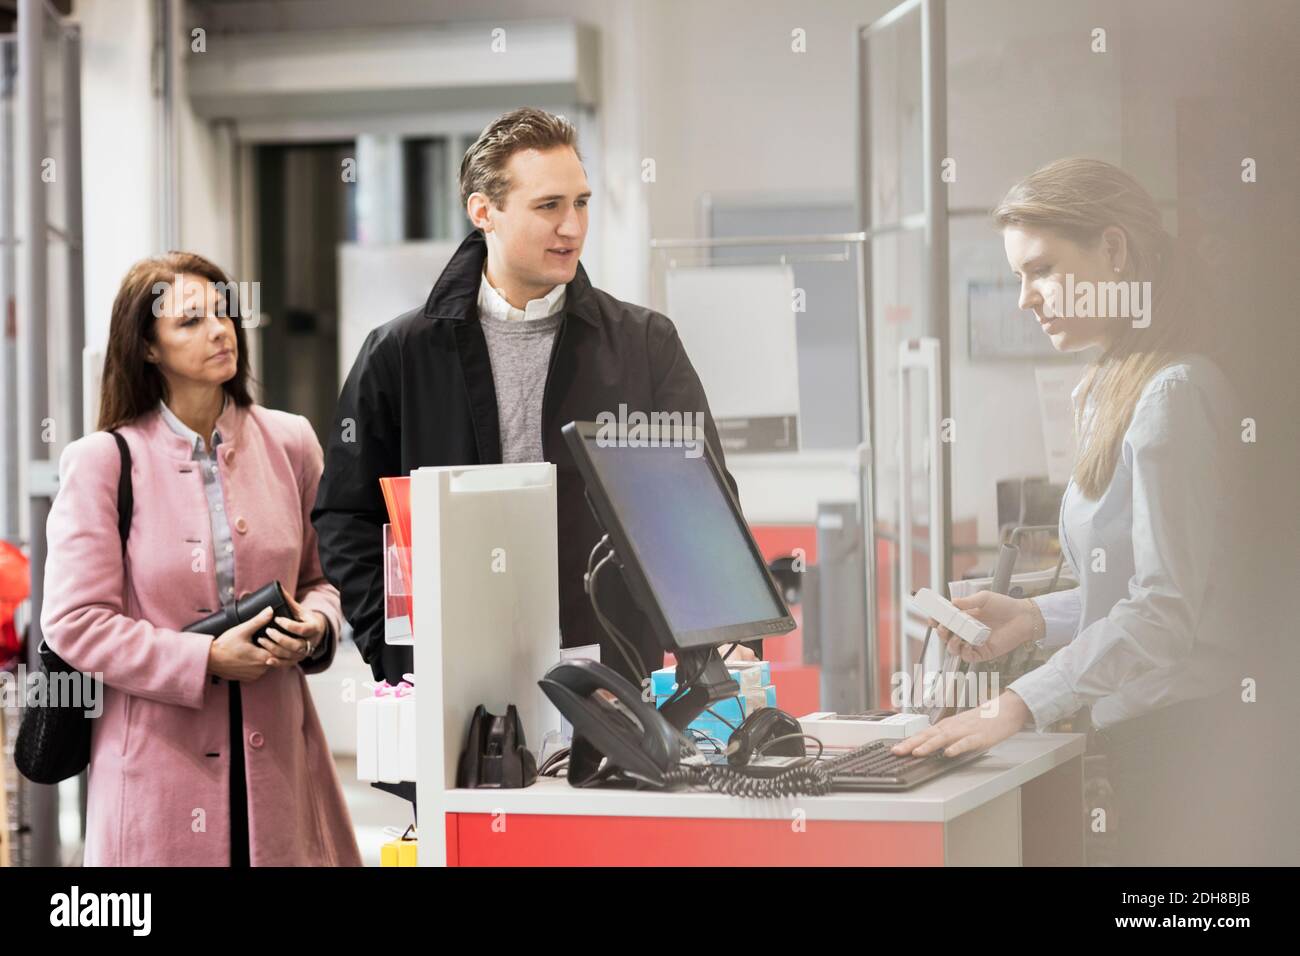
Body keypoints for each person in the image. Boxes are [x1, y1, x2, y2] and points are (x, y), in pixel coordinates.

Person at [312, 107, 755, 687]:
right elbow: (346, 516)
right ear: (484, 212)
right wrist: (396, 655)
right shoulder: (399, 353)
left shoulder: (644, 345)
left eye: (582, 203)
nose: (572, 226)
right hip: (450, 682)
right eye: (548, 206)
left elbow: (701, 506)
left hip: (613, 674)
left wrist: (728, 638)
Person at [892, 158, 1247, 864]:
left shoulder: (1172, 396)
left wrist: (1018, 704)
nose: (1025, 298)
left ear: (1114, 252)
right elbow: (1138, 584)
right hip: (1151, 739)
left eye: (1042, 269)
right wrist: (1031, 618)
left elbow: (1166, 609)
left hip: (1193, 744)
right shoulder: (1110, 388)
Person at [41, 252, 361, 867]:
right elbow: (76, 622)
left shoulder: (290, 442)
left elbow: (330, 577)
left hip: (280, 767)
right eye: (190, 321)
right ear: (148, 349)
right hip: (157, 772)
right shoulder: (103, 462)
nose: (219, 330)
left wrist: (315, 624)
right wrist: (205, 658)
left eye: (223, 313)